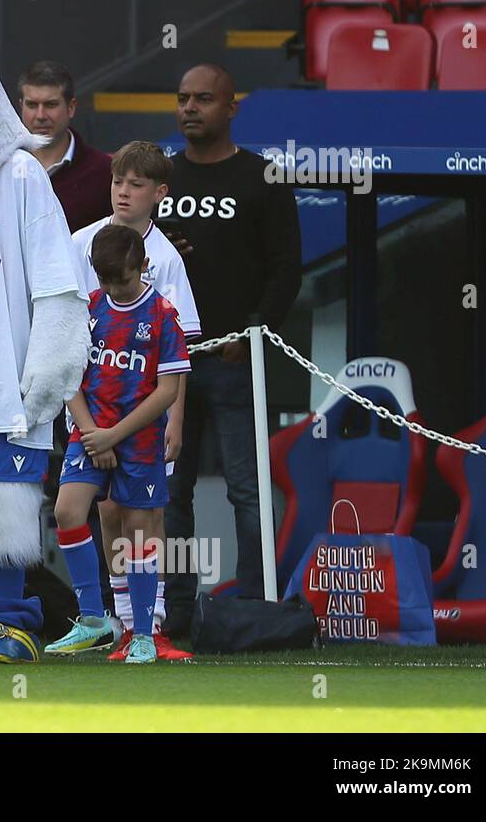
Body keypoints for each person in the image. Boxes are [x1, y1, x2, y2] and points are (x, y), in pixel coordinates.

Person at [161, 63, 302, 634]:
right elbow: (125, 258)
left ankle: (252, 609)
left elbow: (286, 268)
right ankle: (173, 611)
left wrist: (255, 329)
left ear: (231, 107)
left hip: (234, 362)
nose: (190, 108)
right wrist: (157, 251)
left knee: (248, 488)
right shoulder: (161, 178)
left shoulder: (262, 178)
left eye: (203, 99)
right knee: (171, 492)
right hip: (170, 365)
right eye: (182, 98)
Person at [67, 141, 200, 661]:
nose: (123, 192)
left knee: (144, 515)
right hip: (90, 406)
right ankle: (119, 625)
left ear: (159, 194)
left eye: (136, 184)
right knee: (103, 509)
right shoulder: (82, 243)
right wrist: (83, 421)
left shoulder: (166, 259)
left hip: (143, 413)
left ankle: (151, 627)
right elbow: (70, 336)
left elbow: (179, 349)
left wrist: (176, 419)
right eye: (118, 182)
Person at [46, 225, 189, 664]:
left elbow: (168, 390)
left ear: (144, 266)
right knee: (67, 511)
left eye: (122, 280)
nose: (113, 289)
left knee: (139, 529)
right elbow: (68, 375)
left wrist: (114, 435)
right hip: (89, 433)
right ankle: (92, 618)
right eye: (105, 280)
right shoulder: (87, 310)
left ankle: (143, 633)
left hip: (138, 439)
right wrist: (93, 433)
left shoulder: (164, 315)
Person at [17, 60, 114, 233]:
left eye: (50, 105)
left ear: (71, 107)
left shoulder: (104, 172)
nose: (40, 116)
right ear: (20, 107)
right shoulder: (2, 168)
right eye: (32, 105)